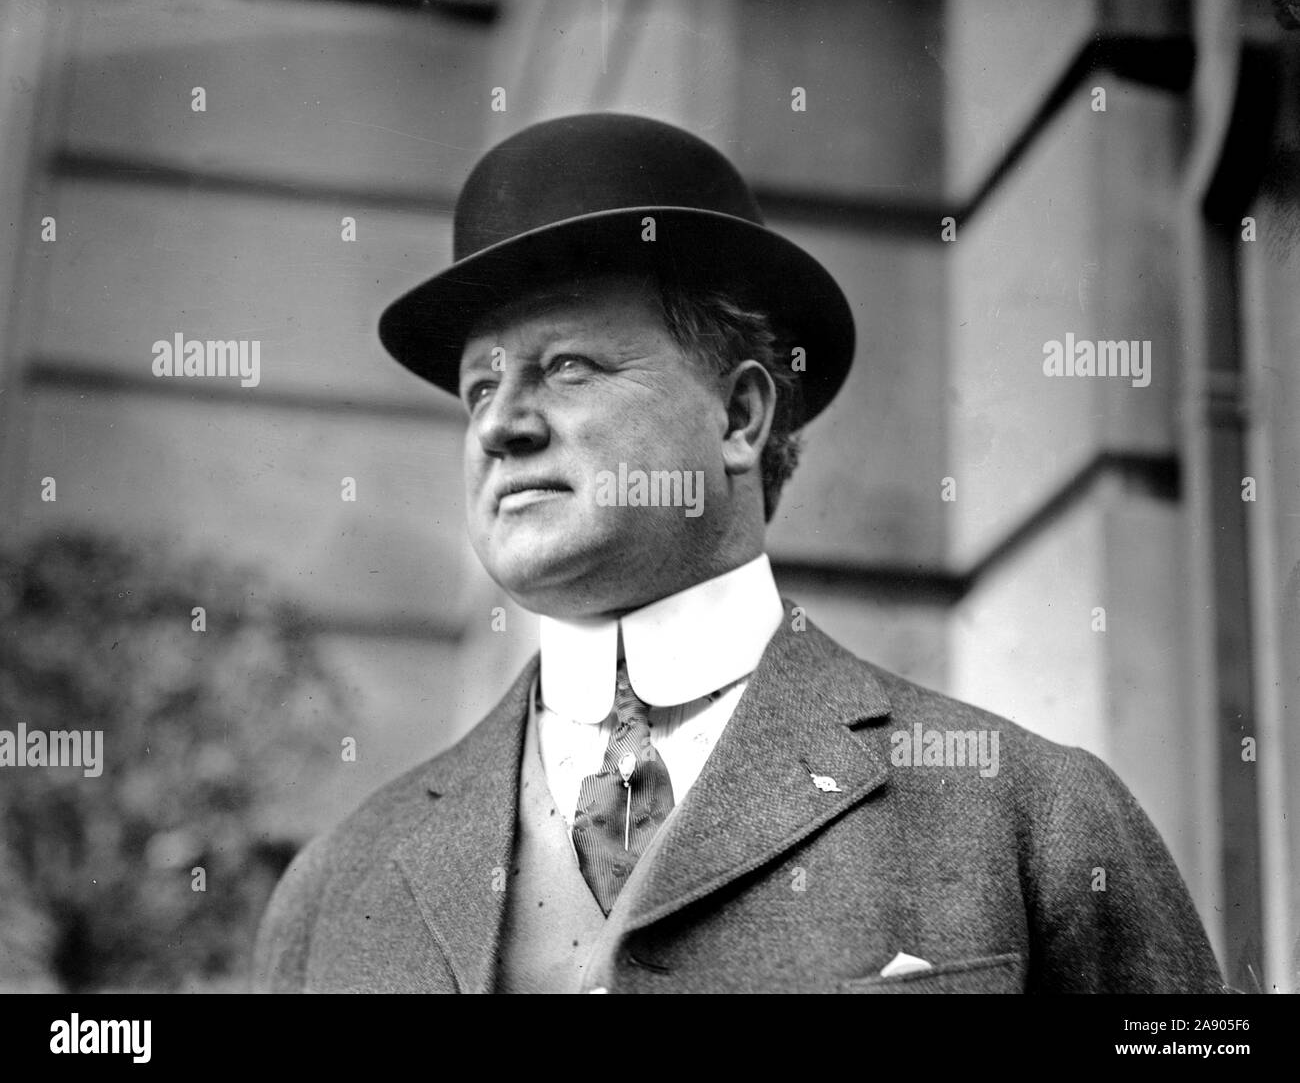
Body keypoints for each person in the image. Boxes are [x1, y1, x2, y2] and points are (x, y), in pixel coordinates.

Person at [253, 113, 1225, 993]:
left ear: (741, 416)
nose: (502, 425)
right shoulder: (335, 889)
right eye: (476, 389)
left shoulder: (1028, 818)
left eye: (566, 368)